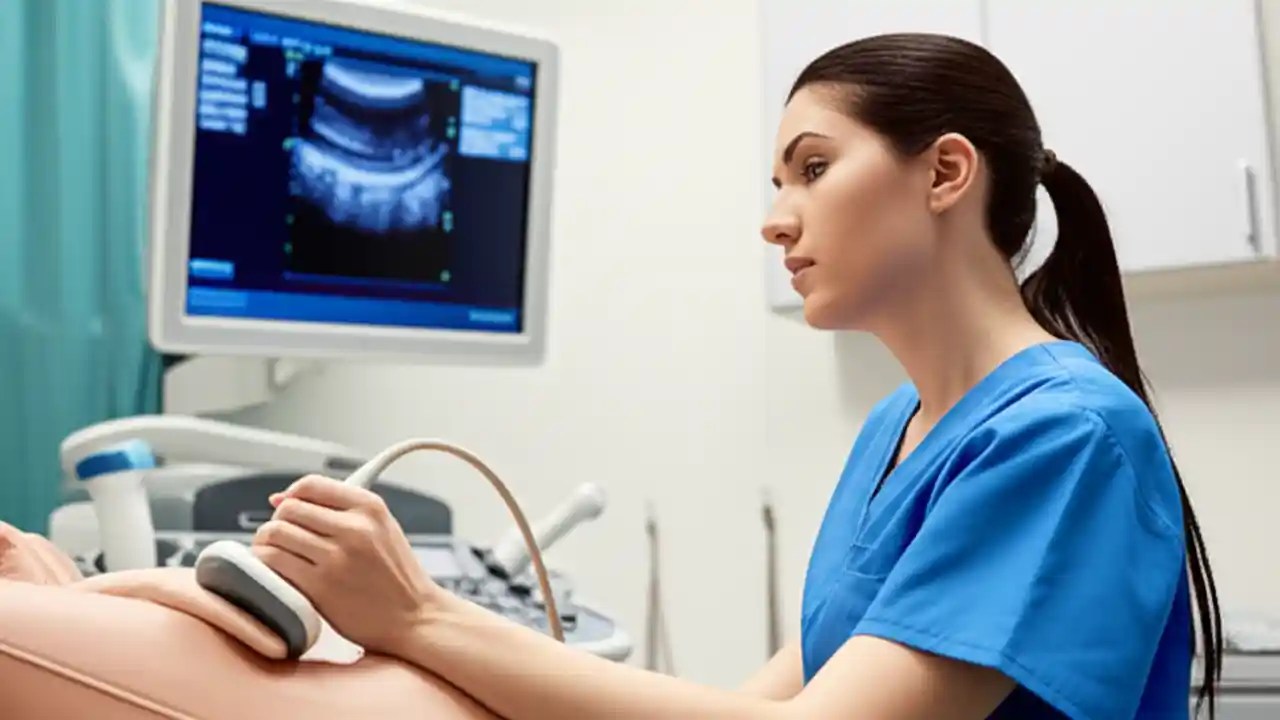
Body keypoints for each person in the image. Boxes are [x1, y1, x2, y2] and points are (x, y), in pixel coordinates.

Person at [250, 33, 1222, 720]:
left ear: (943, 174)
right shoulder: (897, 428)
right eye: (776, 185)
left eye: (812, 167)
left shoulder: (1061, 434)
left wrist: (421, 616)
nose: (774, 218)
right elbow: (762, 702)